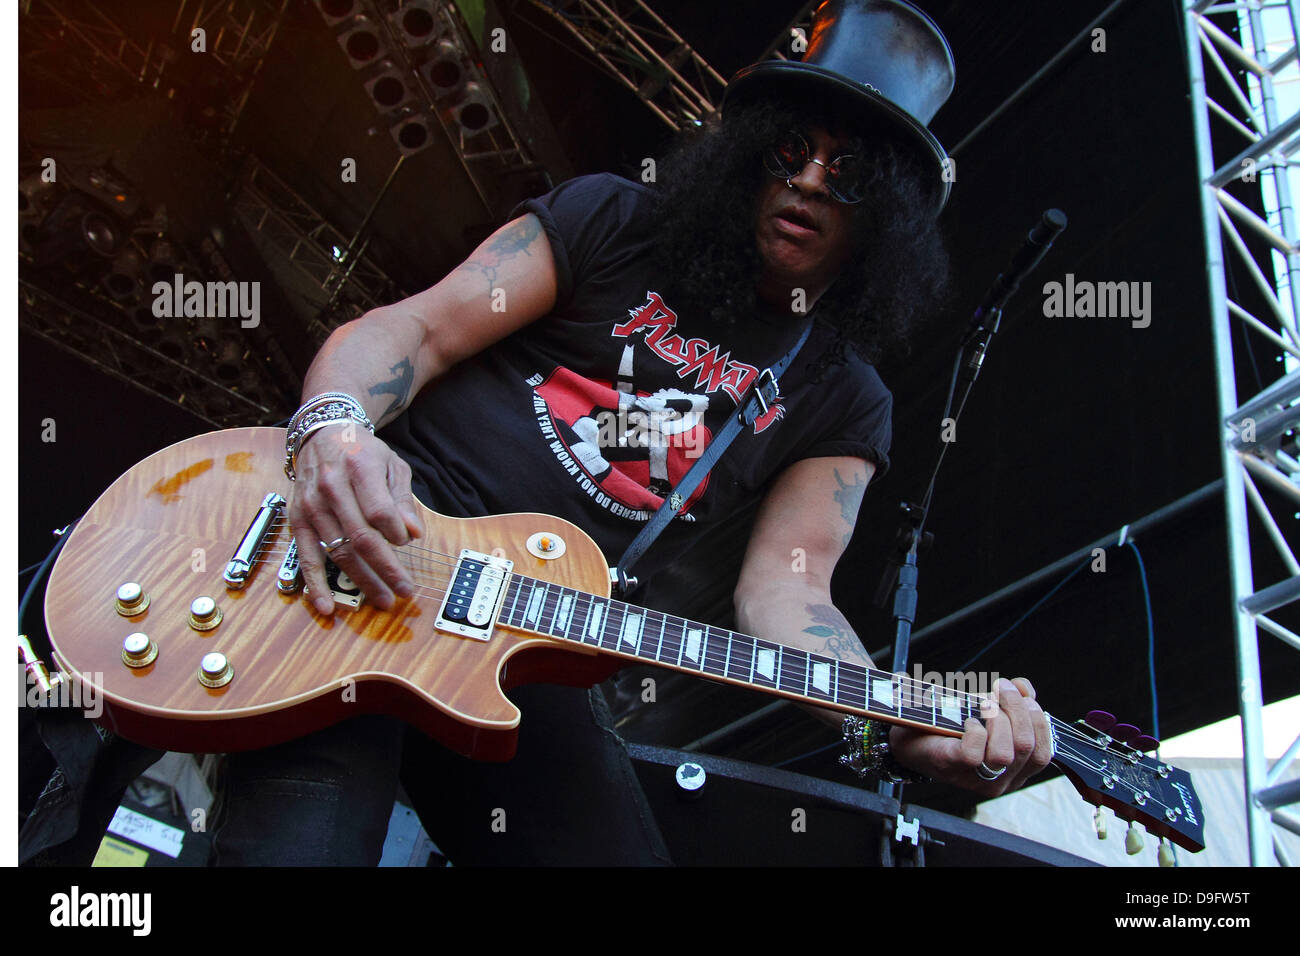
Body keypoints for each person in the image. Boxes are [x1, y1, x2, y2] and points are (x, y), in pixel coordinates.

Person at [212, 0, 1053, 865]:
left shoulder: (844, 397)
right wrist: (335, 429)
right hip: (375, 551)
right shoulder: (612, 222)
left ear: (889, 216)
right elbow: (412, 332)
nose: (807, 182)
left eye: (849, 174)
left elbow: (789, 596)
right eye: (789, 152)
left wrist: (894, 722)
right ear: (747, 156)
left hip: (532, 642)